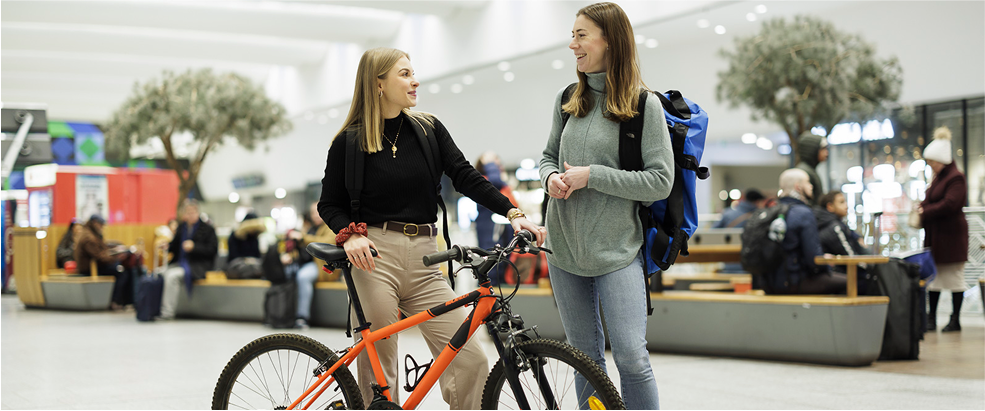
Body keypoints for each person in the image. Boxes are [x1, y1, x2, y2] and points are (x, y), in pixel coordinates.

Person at [318, 47, 545, 409]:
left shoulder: (428, 129)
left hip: (427, 258)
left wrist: (513, 212)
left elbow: (465, 175)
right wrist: (351, 233)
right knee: (380, 369)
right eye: (405, 74)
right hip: (375, 259)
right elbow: (329, 204)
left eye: (413, 72)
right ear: (379, 84)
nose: (415, 81)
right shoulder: (350, 142)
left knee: (470, 359)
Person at [539, 3, 673, 409]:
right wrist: (550, 177)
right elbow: (547, 156)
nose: (572, 45)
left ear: (610, 40)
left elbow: (660, 181)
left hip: (618, 250)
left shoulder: (643, 105)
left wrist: (593, 175)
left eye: (581, 36)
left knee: (631, 356)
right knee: (583, 359)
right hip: (564, 249)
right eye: (573, 35)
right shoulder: (567, 98)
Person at [919, 126, 968, 332]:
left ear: (940, 160)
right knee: (934, 280)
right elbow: (933, 201)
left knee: (954, 278)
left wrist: (925, 211)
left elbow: (950, 204)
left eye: (932, 161)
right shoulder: (939, 178)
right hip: (937, 238)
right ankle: (932, 319)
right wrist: (922, 208)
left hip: (951, 238)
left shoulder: (956, 177)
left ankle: (955, 319)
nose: (930, 165)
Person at [764, 169, 845, 295]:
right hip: (794, 282)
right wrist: (827, 263)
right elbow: (814, 259)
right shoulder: (803, 213)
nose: (811, 186)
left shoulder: (771, 211)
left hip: (769, 283)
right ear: (798, 187)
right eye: (808, 182)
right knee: (851, 282)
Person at [159, 199, 218, 321]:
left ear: (197, 212)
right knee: (158, 274)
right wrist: (167, 246)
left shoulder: (208, 229)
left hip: (197, 266)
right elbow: (174, 246)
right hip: (180, 263)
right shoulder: (182, 228)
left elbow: (212, 250)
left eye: (193, 212)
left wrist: (194, 247)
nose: (190, 215)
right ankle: (154, 309)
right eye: (188, 212)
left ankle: (167, 312)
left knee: (171, 276)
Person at [291, 202, 337, 329]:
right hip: (308, 263)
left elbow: (327, 243)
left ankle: (302, 316)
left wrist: (303, 238)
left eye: (318, 212)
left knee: (303, 277)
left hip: (322, 266)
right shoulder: (310, 228)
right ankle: (285, 314)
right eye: (313, 213)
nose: (315, 215)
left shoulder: (330, 226)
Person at [474, 151, 517, 285]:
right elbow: (496, 182)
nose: (497, 163)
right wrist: (490, 163)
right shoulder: (483, 181)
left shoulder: (498, 183)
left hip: (501, 233)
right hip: (491, 233)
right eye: (492, 161)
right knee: (491, 265)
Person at [74, 214, 131, 309]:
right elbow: (100, 257)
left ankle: (120, 301)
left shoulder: (89, 233)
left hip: (95, 266)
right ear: (95, 223)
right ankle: (115, 301)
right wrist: (117, 258)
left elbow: (101, 251)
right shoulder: (89, 237)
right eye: (101, 225)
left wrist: (113, 253)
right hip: (89, 269)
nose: (102, 227)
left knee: (120, 268)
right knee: (121, 273)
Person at [794, 131, 829, 206]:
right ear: (812, 150)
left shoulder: (810, 170)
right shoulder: (804, 173)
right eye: (823, 149)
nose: (826, 153)